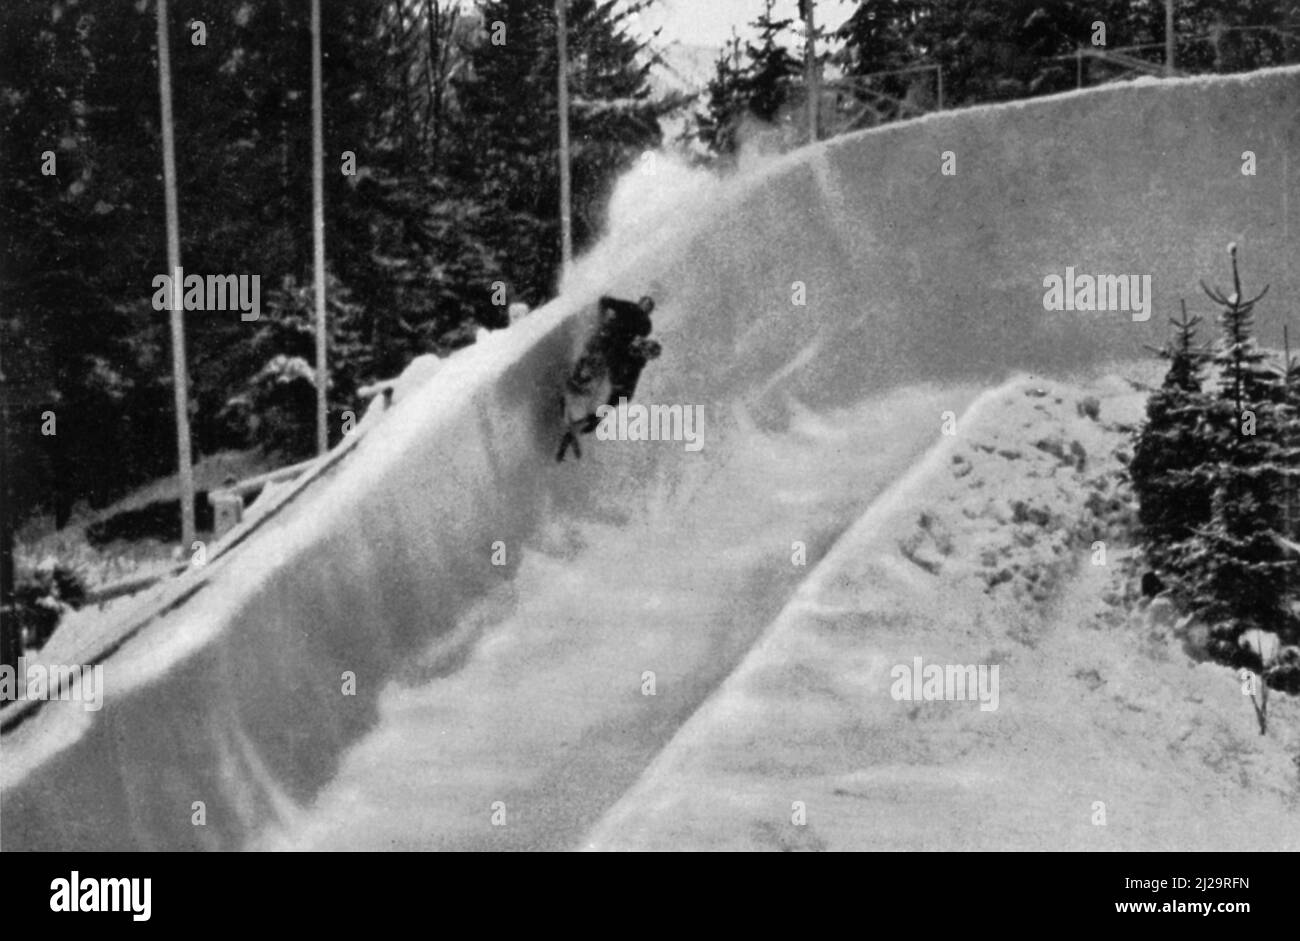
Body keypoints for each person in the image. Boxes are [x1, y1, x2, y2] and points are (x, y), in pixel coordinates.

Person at [556, 294, 660, 462]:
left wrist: (600, 414)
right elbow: (605, 302)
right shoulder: (634, 323)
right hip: (603, 350)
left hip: (605, 357)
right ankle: (573, 402)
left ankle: (575, 412)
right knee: (595, 366)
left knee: (599, 374)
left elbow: (626, 391)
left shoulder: (635, 352)